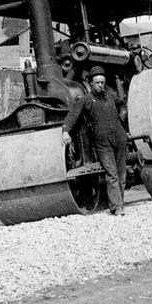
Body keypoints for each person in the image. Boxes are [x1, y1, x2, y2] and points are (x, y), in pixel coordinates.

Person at [62, 65, 129, 215]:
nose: (100, 85)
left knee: (121, 174)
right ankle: (116, 207)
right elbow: (72, 115)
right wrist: (66, 131)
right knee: (111, 173)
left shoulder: (110, 96)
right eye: (97, 83)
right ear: (91, 83)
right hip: (102, 142)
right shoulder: (85, 100)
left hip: (119, 138)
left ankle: (120, 203)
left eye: (102, 82)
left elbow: (122, 105)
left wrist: (123, 113)